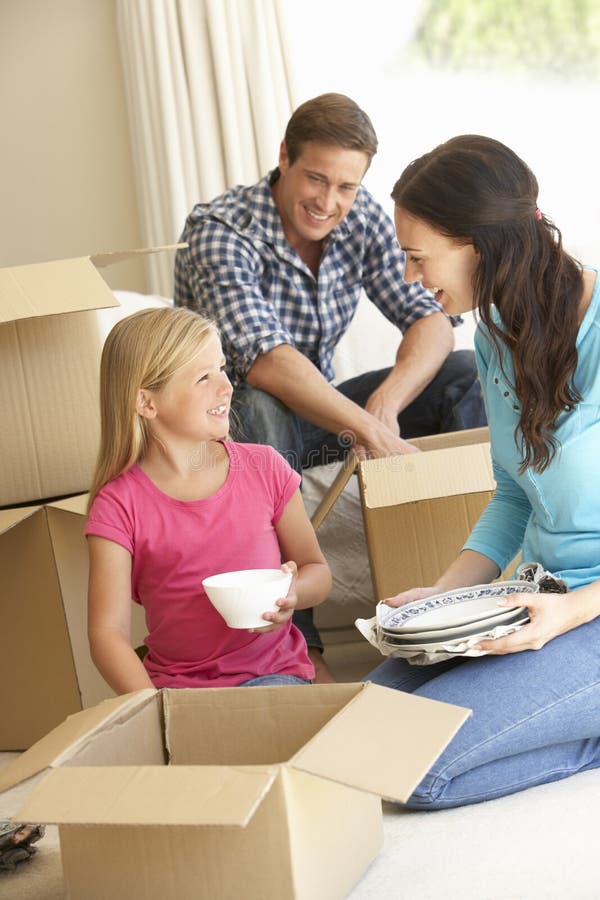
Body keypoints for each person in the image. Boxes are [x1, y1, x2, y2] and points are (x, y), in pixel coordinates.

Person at [174, 93, 486, 678]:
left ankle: (458, 599)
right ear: (284, 158)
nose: (328, 202)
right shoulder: (220, 229)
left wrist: (386, 403)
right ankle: (299, 645)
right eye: (316, 179)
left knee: (464, 374)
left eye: (346, 186)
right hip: (231, 419)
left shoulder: (359, 216)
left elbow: (432, 319)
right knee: (261, 406)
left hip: (314, 417)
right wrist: (367, 427)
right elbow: (264, 361)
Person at [366, 134, 600, 808]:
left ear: (479, 244)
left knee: (412, 770)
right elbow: (514, 495)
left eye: (417, 257)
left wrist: (568, 614)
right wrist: (443, 599)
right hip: (539, 594)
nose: (409, 276)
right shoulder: (496, 331)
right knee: (361, 722)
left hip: (586, 608)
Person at [85, 306, 332, 693]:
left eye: (221, 369)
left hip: (272, 675)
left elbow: (316, 569)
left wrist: (293, 592)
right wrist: (151, 709)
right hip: (177, 691)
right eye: (204, 377)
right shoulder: (118, 504)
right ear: (147, 403)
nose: (226, 386)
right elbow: (107, 633)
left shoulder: (265, 467)